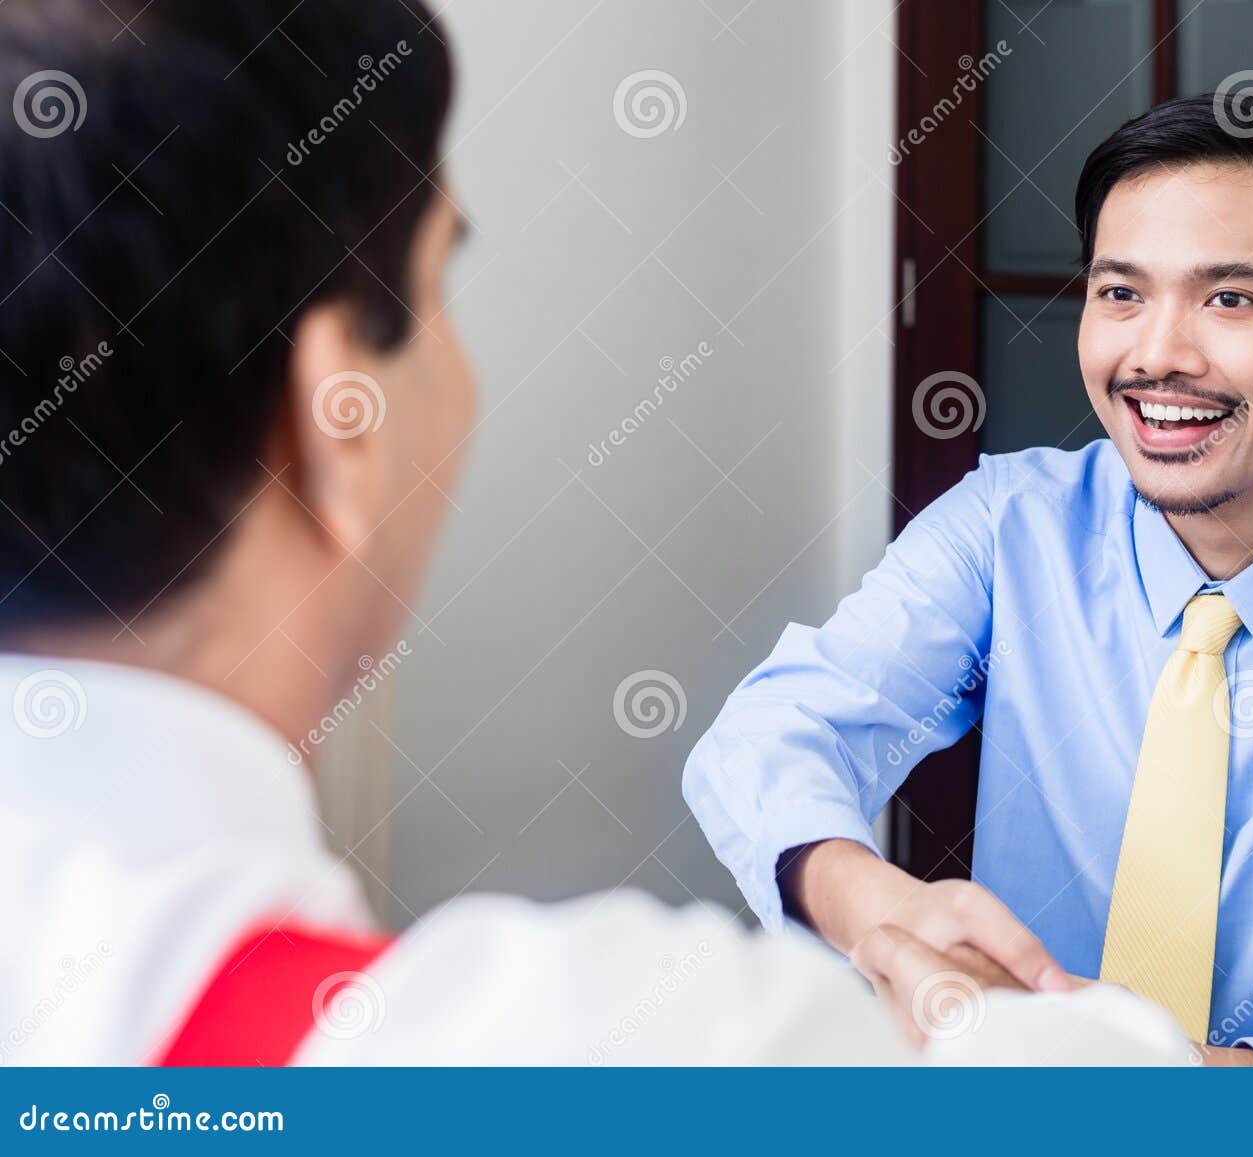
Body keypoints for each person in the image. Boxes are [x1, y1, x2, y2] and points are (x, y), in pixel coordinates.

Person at [0, 0, 1191, 1066]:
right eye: (437, 291)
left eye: (1229, 296)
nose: (1158, 352)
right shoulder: (576, 1051)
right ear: (340, 421)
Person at [684, 93, 1253, 1065]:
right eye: (1120, 293)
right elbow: (773, 731)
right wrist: (873, 910)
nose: (1156, 355)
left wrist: (1231, 1091)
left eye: (1228, 298)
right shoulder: (1011, 529)